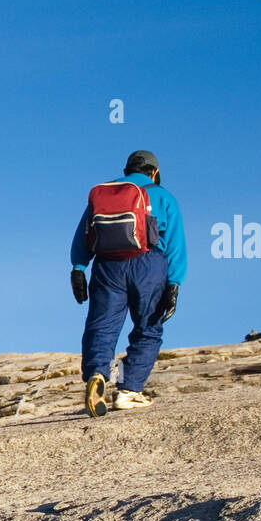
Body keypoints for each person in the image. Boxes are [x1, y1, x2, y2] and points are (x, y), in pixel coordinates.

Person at [70, 150, 187, 417]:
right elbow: (176, 245)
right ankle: (128, 390)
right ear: (154, 173)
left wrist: (78, 267)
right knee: (148, 328)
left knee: (102, 326)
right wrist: (174, 284)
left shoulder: (104, 194)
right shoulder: (164, 196)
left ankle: (97, 375)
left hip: (107, 267)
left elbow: (83, 234)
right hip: (149, 265)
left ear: (126, 170)